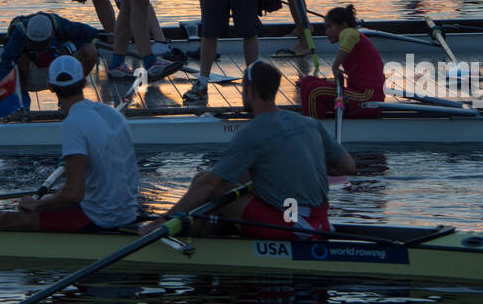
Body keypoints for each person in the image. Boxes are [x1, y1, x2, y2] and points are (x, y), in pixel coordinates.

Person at [146, 60, 355, 237]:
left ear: (251, 91)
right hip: (321, 222)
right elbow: (348, 166)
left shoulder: (251, 133)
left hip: (293, 224)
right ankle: (212, 230)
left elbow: (209, 185)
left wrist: (163, 219)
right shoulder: (308, 122)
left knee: (212, 184)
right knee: (228, 176)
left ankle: (189, 243)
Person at [0, 55, 139, 231]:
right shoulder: (113, 114)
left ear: (50, 87)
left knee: (4, 220)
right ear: (83, 81)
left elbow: (74, 194)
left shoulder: (73, 123)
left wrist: (38, 204)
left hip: (99, 219)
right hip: (129, 212)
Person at [0, 12, 100, 117]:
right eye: (34, 43)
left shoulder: (62, 26)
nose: (38, 48)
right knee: (19, 60)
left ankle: (68, 98)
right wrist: (5, 100)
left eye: (42, 43)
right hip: (32, 75)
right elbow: (5, 67)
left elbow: (93, 35)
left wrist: (70, 47)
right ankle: (22, 104)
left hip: (58, 69)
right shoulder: (19, 33)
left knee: (90, 51)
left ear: (52, 34)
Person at [298, 4, 386, 117]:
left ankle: (315, 128)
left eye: (329, 27)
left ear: (343, 26)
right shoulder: (351, 38)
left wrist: (335, 66)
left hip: (368, 98)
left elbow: (350, 35)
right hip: (357, 93)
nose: (326, 32)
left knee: (314, 90)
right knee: (307, 81)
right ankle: (314, 119)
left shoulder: (350, 32)